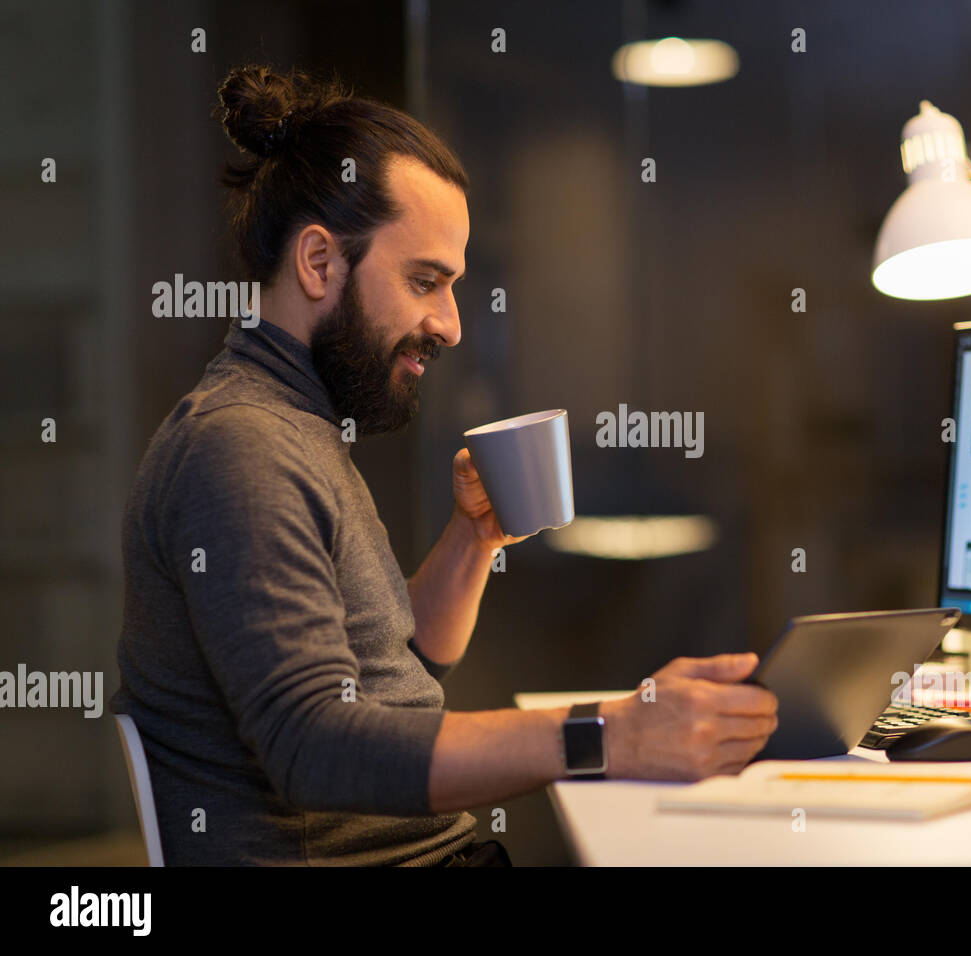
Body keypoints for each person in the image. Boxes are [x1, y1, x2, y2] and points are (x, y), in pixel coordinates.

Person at [111, 65, 778, 866]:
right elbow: (314, 747)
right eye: (426, 281)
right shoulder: (242, 449)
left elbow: (400, 664)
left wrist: (473, 539)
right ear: (319, 263)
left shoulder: (297, 425)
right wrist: (610, 733)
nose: (452, 325)